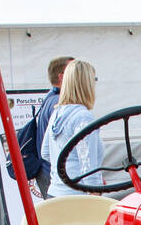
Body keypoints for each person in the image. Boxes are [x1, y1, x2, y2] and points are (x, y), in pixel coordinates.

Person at [41, 59, 103, 198]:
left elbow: (45, 152)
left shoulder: (57, 112)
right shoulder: (83, 118)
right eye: (94, 80)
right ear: (86, 84)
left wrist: (65, 172)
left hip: (55, 194)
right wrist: (95, 197)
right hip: (77, 198)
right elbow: (89, 170)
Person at [33, 55, 74, 196]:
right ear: (62, 77)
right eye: (74, 72)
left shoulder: (50, 98)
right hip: (60, 178)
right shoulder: (60, 104)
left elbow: (45, 151)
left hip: (51, 175)